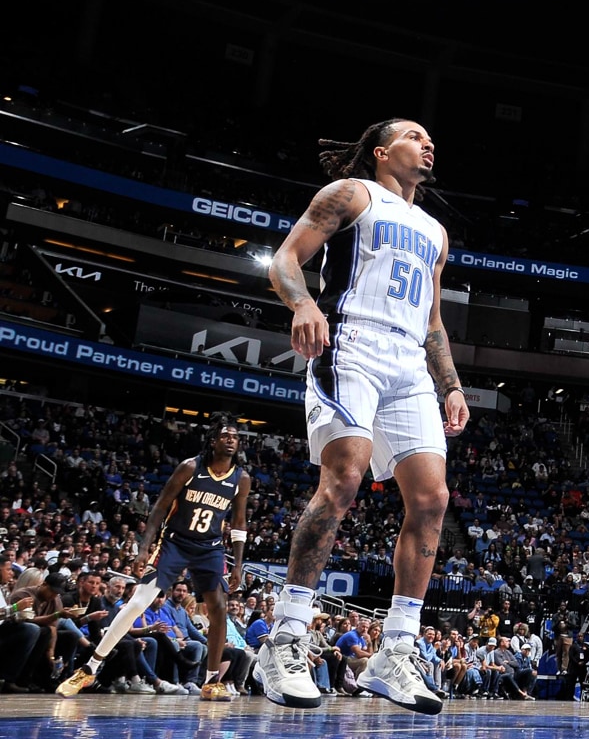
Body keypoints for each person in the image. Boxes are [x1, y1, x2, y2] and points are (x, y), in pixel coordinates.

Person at [255, 118, 467, 713]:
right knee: (344, 479)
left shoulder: (435, 232)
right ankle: (286, 636)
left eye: (432, 137)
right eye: (414, 135)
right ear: (381, 152)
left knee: (432, 501)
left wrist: (448, 383)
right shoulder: (351, 194)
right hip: (351, 343)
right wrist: (302, 303)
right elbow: (285, 260)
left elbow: (432, 321)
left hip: (409, 365)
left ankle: (395, 653)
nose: (428, 142)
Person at [59, 419, 251, 701]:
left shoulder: (241, 478)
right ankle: (90, 668)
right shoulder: (190, 467)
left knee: (219, 608)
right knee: (139, 601)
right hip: (174, 542)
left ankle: (212, 682)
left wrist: (238, 563)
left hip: (209, 548)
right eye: (225, 436)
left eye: (235, 436)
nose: (231, 440)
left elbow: (239, 522)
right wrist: (143, 548)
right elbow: (160, 506)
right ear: (213, 441)